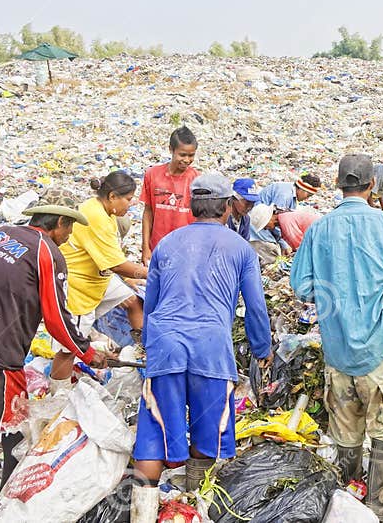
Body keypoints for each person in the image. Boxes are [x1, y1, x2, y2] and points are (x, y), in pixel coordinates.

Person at [0, 190, 111, 502]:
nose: (69, 235)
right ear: (59, 222)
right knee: (13, 425)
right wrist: (87, 350)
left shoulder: (2, 234)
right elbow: (57, 316)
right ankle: (6, 498)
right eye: (69, 228)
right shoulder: (48, 252)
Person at [130, 173, 272, 522]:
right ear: (227, 208)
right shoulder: (240, 248)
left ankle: (142, 514)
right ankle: (193, 505)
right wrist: (262, 348)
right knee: (209, 434)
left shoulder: (166, 243)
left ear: (191, 208)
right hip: (210, 347)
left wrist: (150, 345)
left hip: (166, 343)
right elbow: (255, 307)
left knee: (154, 432)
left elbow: (151, 302)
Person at [290, 154, 383, 521]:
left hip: (338, 349)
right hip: (378, 349)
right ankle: (379, 502)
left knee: (345, 427)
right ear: (372, 184)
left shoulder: (319, 229)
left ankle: (347, 497)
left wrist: (334, 302)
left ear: (339, 185)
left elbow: (301, 287)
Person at [50, 172, 150, 390]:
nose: (131, 204)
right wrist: (150, 274)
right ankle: (58, 394)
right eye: (129, 198)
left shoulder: (107, 213)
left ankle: (142, 350)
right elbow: (114, 263)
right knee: (70, 347)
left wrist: (127, 278)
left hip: (99, 278)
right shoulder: (95, 216)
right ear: (113, 196)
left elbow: (111, 254)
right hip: (79, 284)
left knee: (133, 300)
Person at [140, 126, 199, 265]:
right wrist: (145, 247)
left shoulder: (196, 179)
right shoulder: (152, 175)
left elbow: (199, 218)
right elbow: (148, 212)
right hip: (157, 248)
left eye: (191, 155)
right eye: (182, 154)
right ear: (171, 150)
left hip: (185, 251)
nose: (186, 160)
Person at [256, 172, 322, 211]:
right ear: (301, 189)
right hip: (257, 219)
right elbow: (277, 218)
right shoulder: (285, 195)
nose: (307, 199)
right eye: (308, 195)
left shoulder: (291, 190)